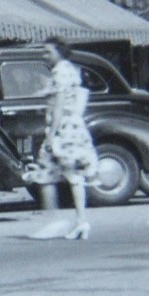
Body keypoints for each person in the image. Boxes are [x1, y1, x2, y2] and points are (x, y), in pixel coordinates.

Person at [25, 37, 98, 241]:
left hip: (62, 130)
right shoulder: (70, 70)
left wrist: (50, 135)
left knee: (46, 175)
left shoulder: (59, 72)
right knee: (74, 176)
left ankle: (54, 221)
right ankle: (81, 221)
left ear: (58, 52)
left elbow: (58, 105)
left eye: (48, 52)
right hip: (74, 129)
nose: (44, 55)